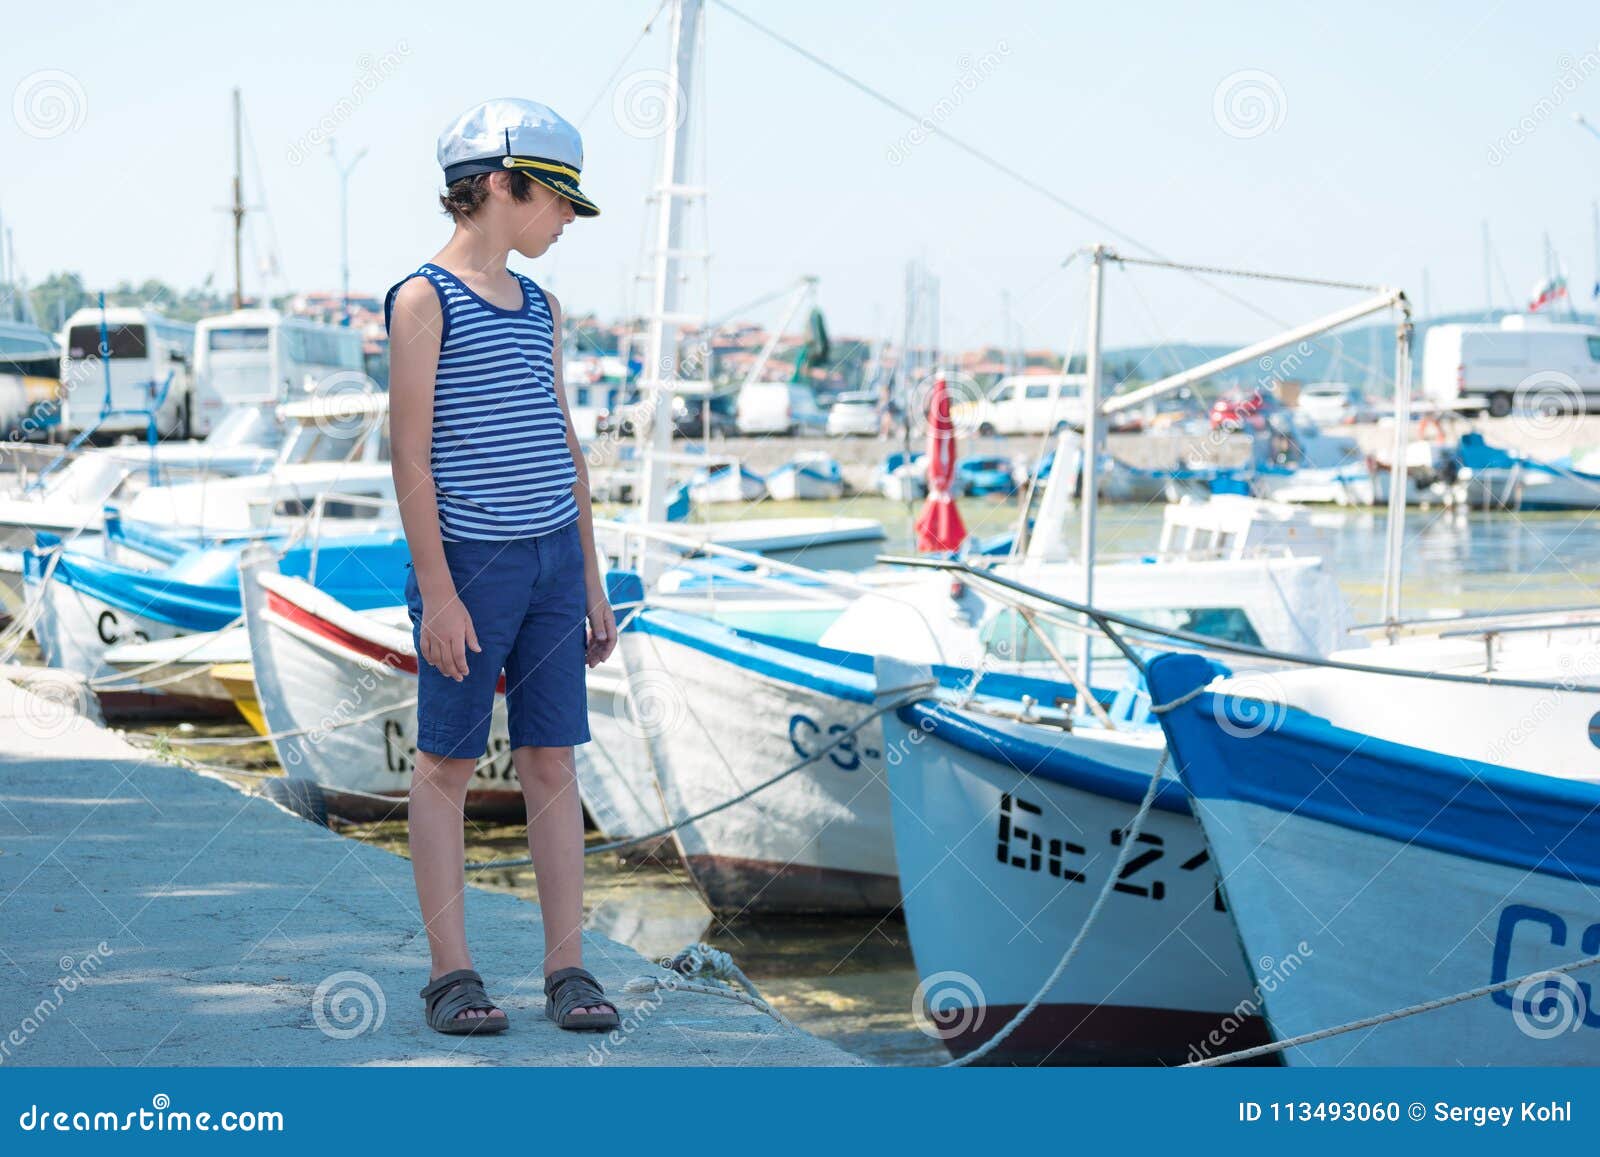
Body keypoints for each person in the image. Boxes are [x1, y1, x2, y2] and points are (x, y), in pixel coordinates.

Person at [383, 98, 619, 1035]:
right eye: (556, 199)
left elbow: (565, 445)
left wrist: (592, 578)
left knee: (551, 757)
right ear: (497, 186)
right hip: (470, 566)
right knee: (446, 762)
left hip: (555, 558)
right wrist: (438, 592)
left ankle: (567, 967)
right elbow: (410, 458)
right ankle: (452, 973)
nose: (566, 218)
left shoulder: (541, 307)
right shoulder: (422, 300)